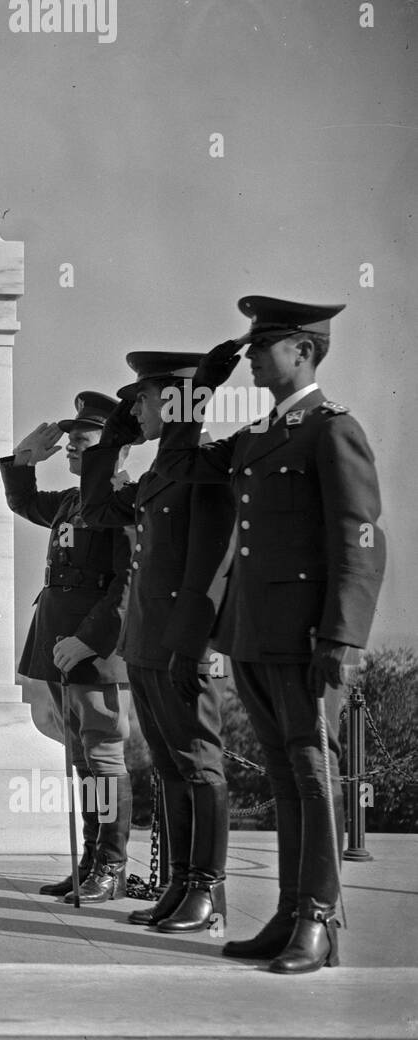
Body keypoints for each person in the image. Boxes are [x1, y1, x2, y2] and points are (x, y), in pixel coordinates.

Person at [154, 297, 386, 973]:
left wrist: (344, 639)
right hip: (253, 635)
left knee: (314, 776)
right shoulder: (257, 437)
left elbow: (360, 538)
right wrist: (199, 390)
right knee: (286, 778)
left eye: (264, 346)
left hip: (308, 639)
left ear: (304, 352)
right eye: (250, 349)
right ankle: (289, 914)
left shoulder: (332, 431)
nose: (251, 357)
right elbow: (176, 467)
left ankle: (319, 921)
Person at [80, 352, 235, 932]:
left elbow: (214, 564)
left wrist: (196, 643)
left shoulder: (202, 465)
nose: (132, 409)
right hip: (145, 643)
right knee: (172, 768)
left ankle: (207, 890)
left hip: (183, 645)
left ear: (174, 401)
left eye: (140, 400)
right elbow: (96, 508)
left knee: (199, 765)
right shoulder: (159, 474)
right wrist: (111, 443)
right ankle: (179, 883)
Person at [0, 392, 135, 902]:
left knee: (102, 754)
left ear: (116, 450)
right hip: (60, 647)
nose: (74, 445)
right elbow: (24, 502)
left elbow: (127, 583)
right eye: (72, 438)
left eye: (85, 438)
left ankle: (113, 865)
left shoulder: (121, 500)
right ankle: (92, 860)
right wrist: (23, 458)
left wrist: (88, 641)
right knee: (82, 757)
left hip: (93, 651)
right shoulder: (75, 501)